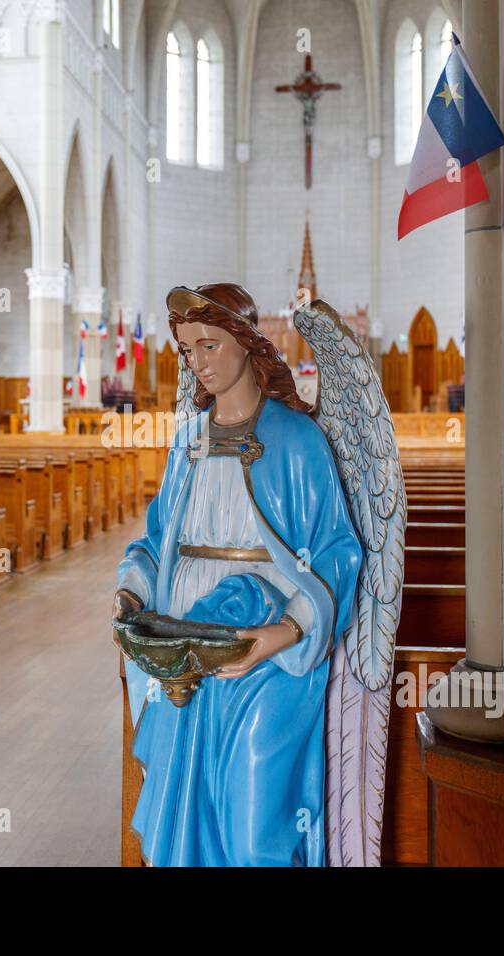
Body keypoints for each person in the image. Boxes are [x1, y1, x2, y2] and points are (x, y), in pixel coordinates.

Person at [112, 282, 362, 866]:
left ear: (249, 345)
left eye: (210, 346)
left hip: (267, 656)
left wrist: (282, 634)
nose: (197, 363)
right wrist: (132, 590)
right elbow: (156, 541)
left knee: (255, 827)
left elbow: (337, 551)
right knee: (184, 816)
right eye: (187, 350)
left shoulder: (297, 442)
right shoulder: (188, 442)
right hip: (182, 651)